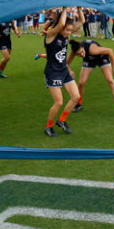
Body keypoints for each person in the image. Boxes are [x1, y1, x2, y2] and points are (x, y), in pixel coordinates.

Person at [43, 8, 84, 137]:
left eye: (71, 30)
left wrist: (79, 8)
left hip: (64, 71)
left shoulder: (66, 34)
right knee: (59, 102)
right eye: (67, 30)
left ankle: (61, 120)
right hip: (52, 72)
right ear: (61, 28)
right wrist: (65, 8)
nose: (69, 33)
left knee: (76, 97)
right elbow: (61, 24)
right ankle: (48, 127)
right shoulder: (50, 35)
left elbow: (82, 21)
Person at [67, 38, 114, 114]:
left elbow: (110, 51)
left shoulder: (92, 49)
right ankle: (78, 104)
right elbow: (67, 63)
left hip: (101, 58)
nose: (82, 55)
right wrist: (70, 71)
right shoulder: (73, 51)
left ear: (83, 47)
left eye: (82, 52)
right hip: (89, 60)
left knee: (110, 80)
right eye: (79, 54)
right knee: (81, 83)